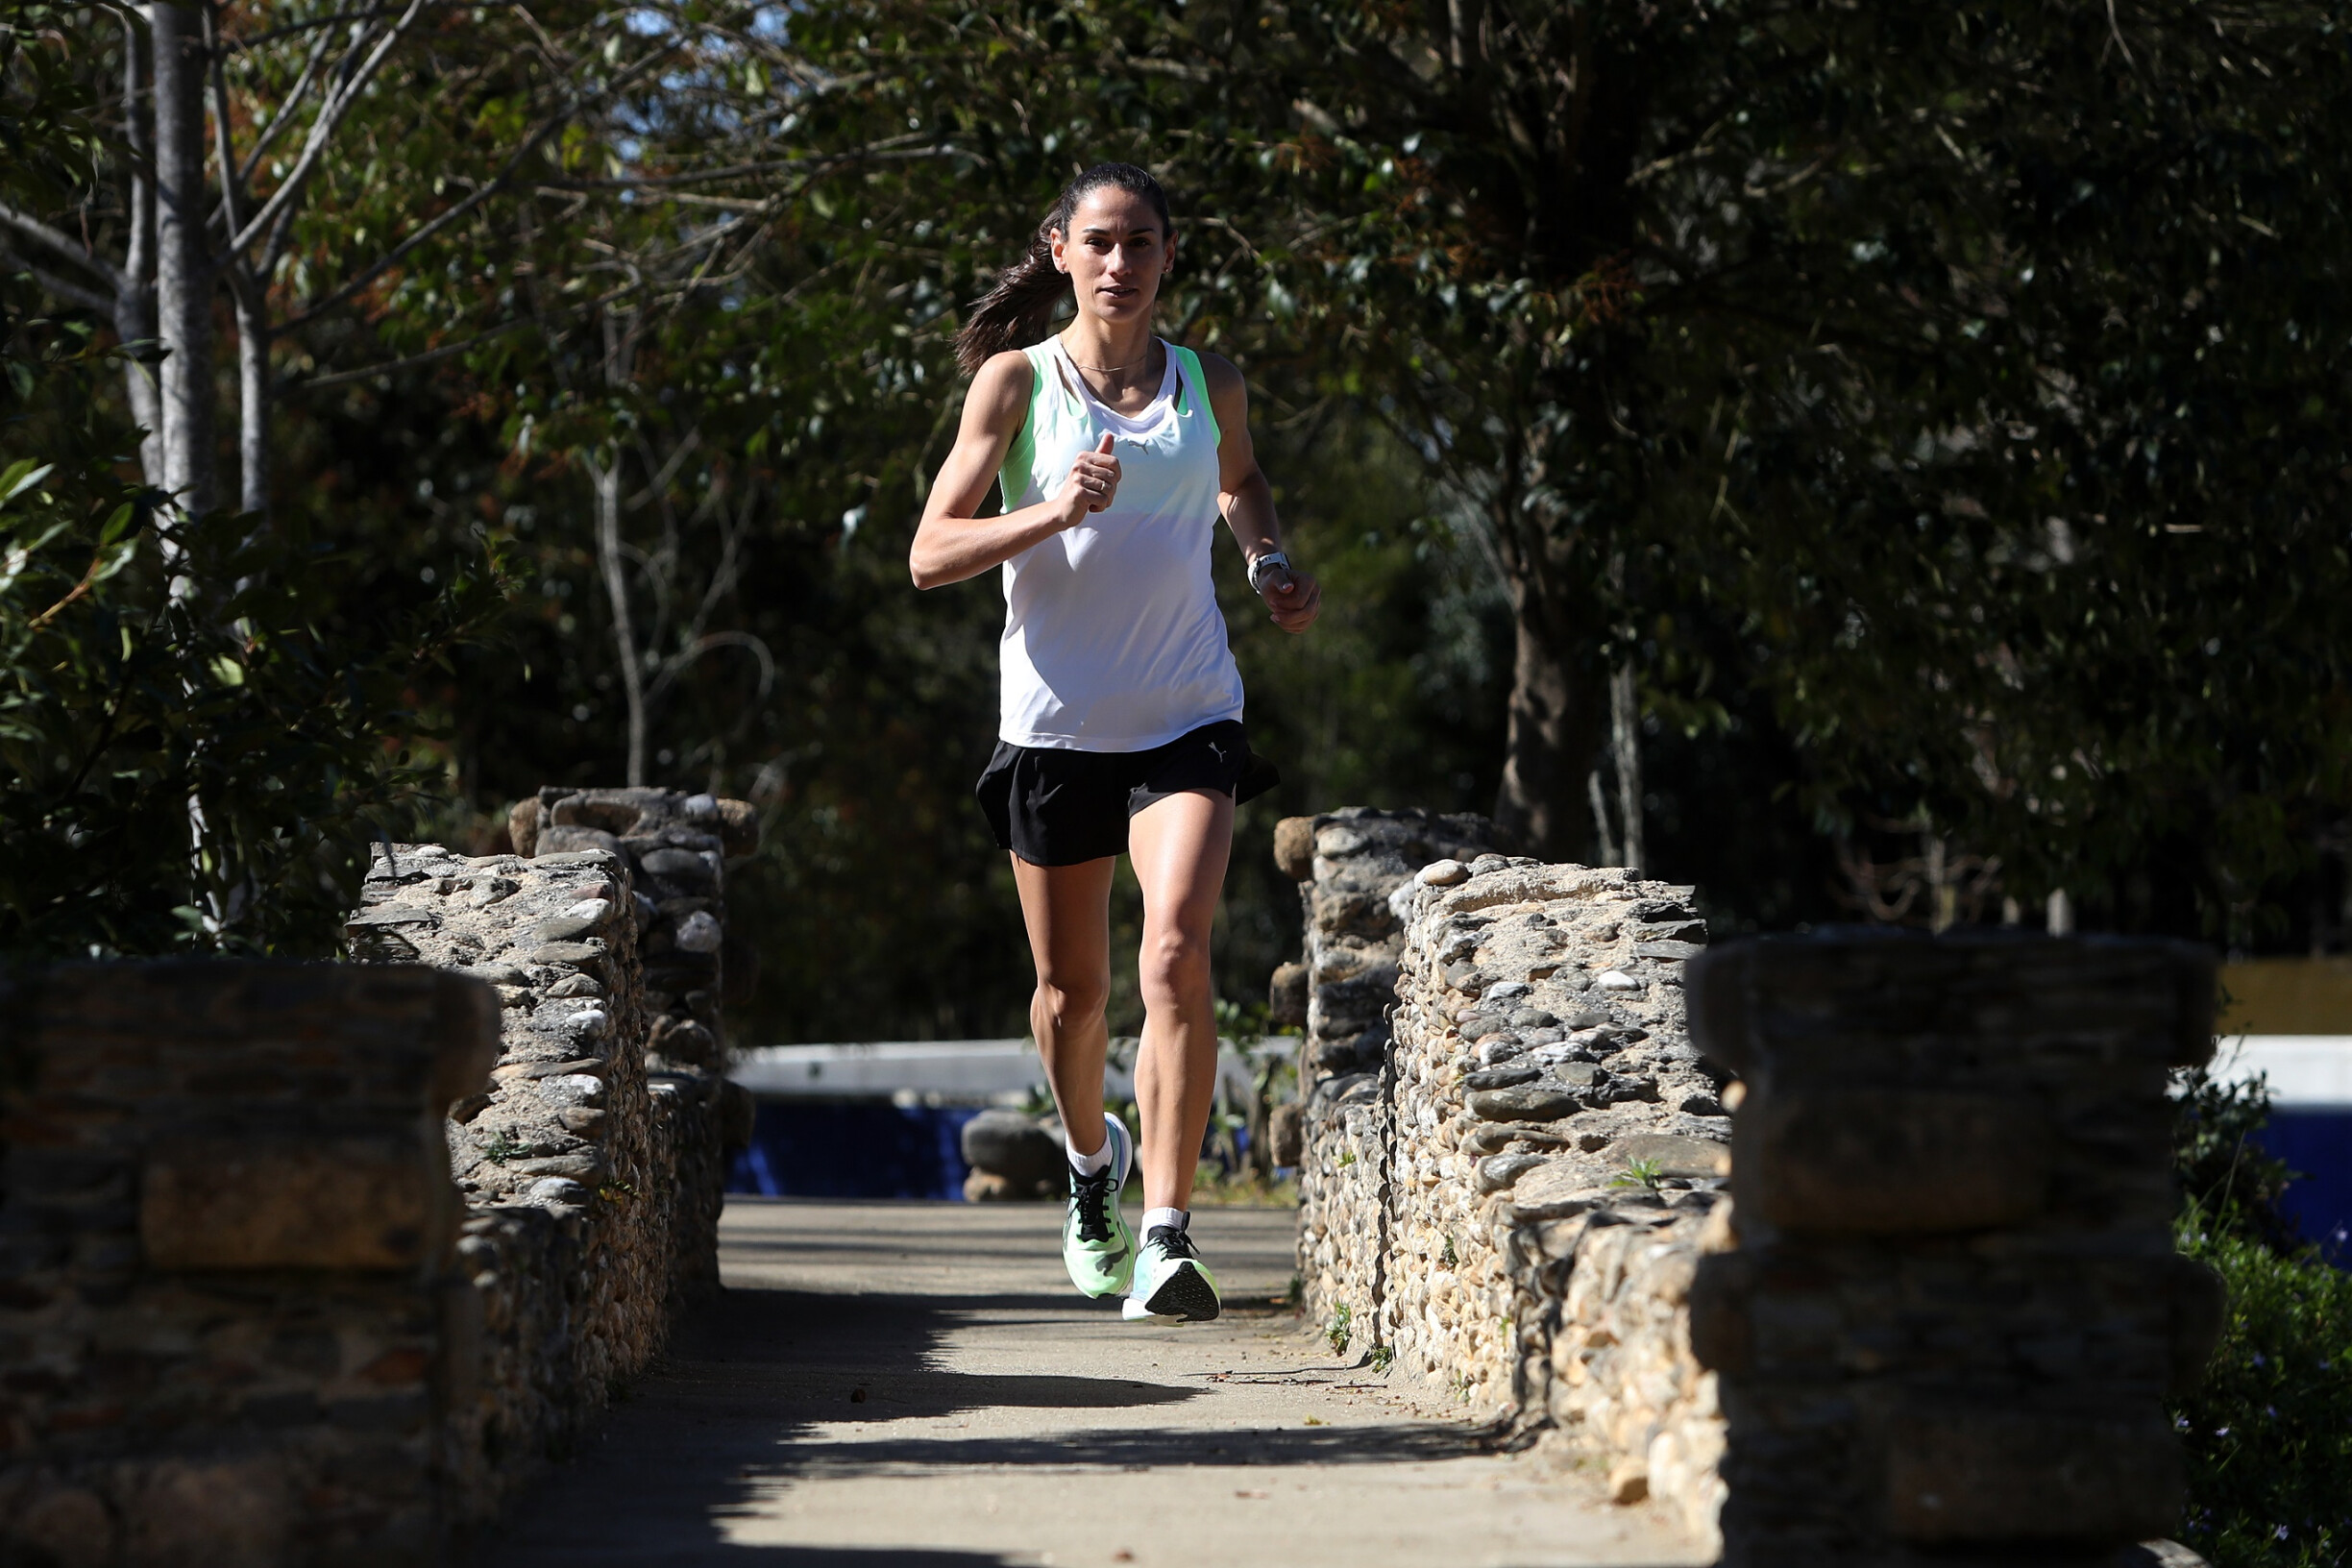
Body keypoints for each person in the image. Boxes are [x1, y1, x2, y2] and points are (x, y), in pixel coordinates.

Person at [909, 162, 1320, 1322]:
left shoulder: (1211, 382)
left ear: (1168, 257)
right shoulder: (1017, 384)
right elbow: (929, 554)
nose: (1120, 263)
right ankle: (1094, 1164)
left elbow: (1241, 486)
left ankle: (1168, 1241)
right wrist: (1050, 510)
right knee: (1067, 994)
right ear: (1059, 252)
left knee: (1177, 954)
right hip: (1053, 727)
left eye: (1142, 241)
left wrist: (1267, 561)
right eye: (1099, 241)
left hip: (1188, 711)